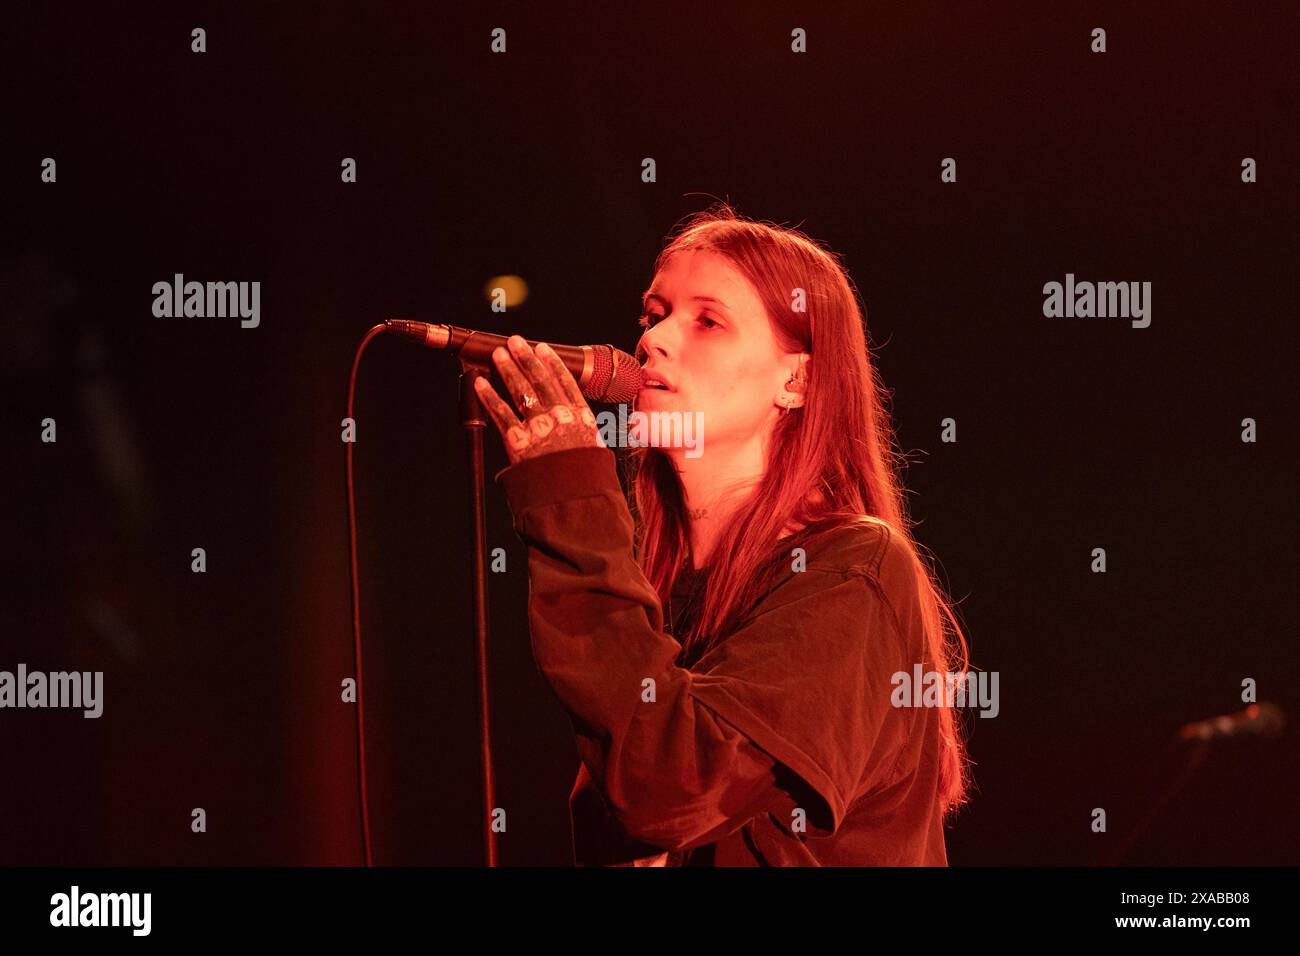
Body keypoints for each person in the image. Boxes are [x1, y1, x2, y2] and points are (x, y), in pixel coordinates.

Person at [473, 203, 973, 866]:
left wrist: (571, 498)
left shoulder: (851, 570)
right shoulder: (663, 598)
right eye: (655, 314)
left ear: (796, 380)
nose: (653, 340)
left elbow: (669, 786)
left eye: (708, 321)